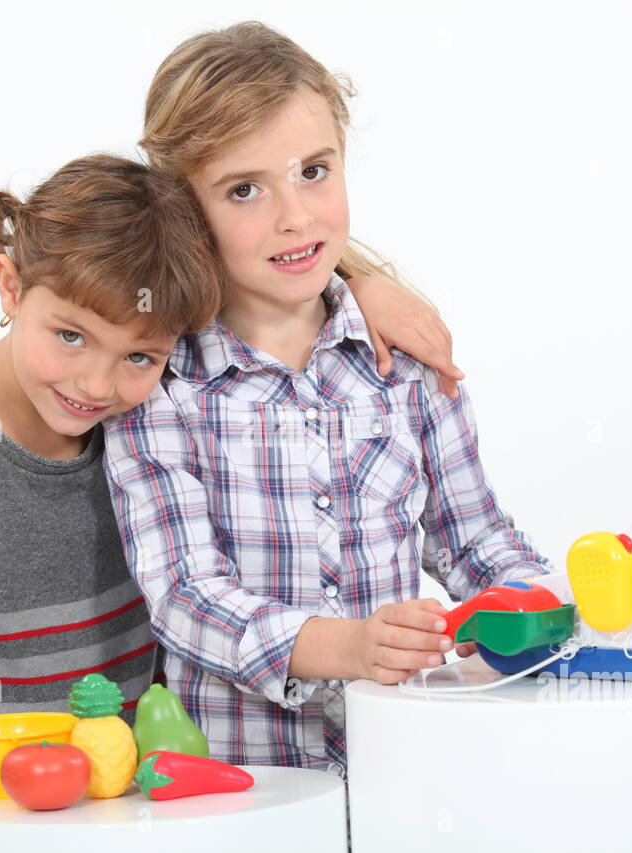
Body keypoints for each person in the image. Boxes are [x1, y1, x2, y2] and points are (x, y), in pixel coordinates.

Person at [0, 152, 463, 815]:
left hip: (116, 806)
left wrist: (360, 288)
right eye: (69, 335)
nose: (95, 384)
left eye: (139, 356)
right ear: (9, 287)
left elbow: (239, 267)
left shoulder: (149, 420)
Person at [102, 22, 554, 777]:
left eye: (314, 171)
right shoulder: (160, 385)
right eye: (245, 190)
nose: (296, 217)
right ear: (184, 211)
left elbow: (473, 541)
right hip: (242, 796)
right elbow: (185, 597)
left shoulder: (405, 365)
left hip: (399, 776)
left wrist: (540, 603)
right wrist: (347, 646)